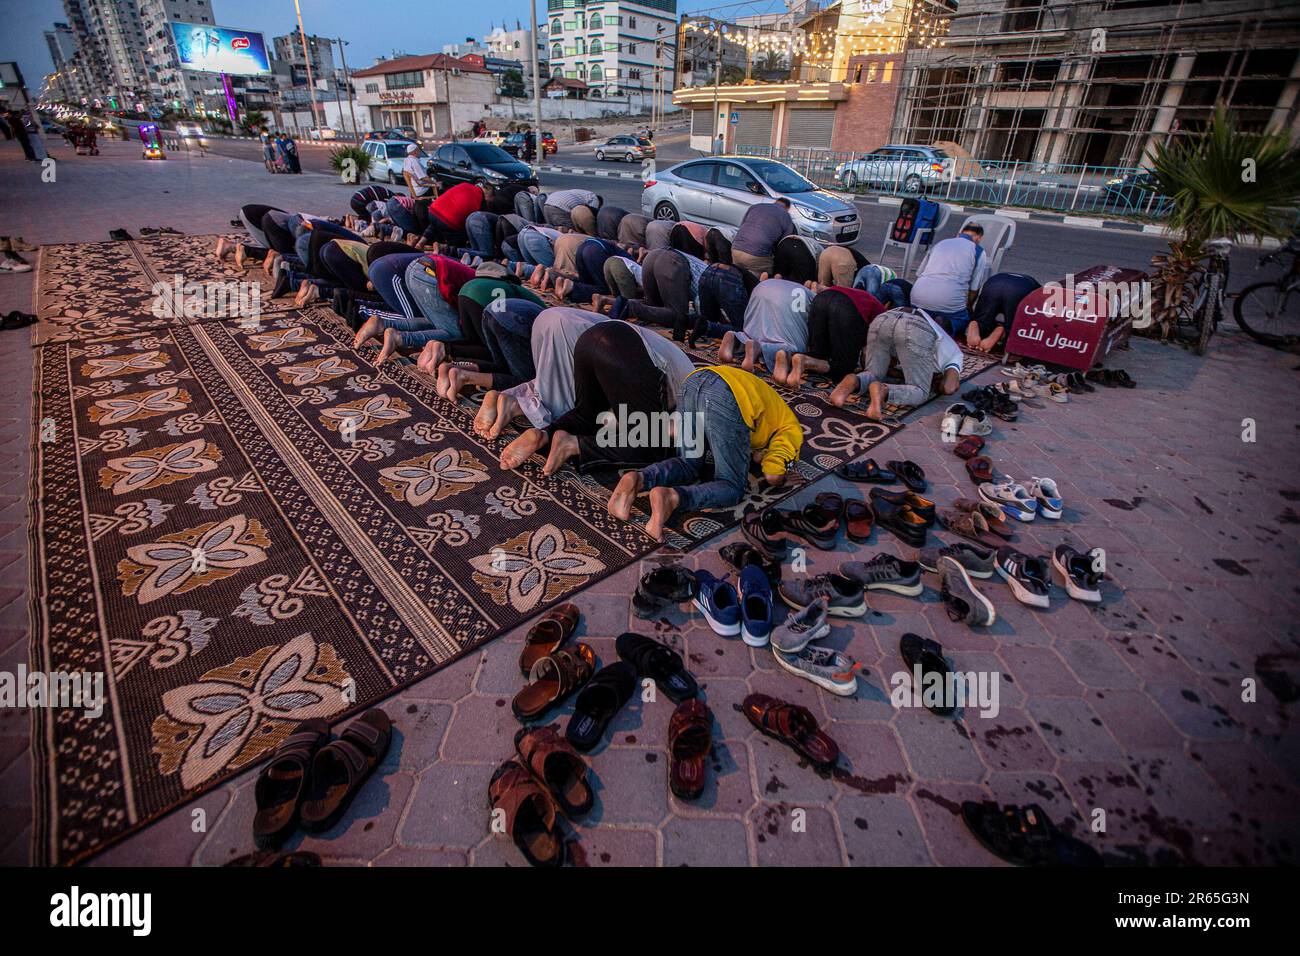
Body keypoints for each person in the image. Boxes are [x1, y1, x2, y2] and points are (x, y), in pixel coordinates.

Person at [607, 366, 801, 542]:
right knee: (732, 486)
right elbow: (773, 473)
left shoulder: (773, 411)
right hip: (726, 396)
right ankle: (673, 498)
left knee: (688, 462)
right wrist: (782, 478)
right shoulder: (791, 429)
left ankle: (639, 478)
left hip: (695, 380)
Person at [498, 319, 696, 475]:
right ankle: (572, 445)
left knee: (588, 413)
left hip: (591, 339)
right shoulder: (692, 390)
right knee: (652, 445)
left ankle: (545, 434)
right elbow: (669, 428)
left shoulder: (684, 365)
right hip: (627, 355)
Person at [829, 306, 962, 420]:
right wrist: (935, 382)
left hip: (884, 318)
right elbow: (949, 387)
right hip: (915, 327)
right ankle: (884, 390)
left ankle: (853, 381)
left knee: (873, 373)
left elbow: (886, 366)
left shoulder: (937, 338)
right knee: (920, 392)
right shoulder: (955, 353)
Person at [720, 277, 813, 382]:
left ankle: (736, 337)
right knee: (794, 349)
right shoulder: (809, 294)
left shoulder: (771, 282)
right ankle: (760, 348)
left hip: (763, 287)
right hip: (786, 300)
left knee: (752, 335)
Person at [909, 223, 990, 337]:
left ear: (959, 234)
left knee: (925, 311)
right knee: (963, 319)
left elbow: (919, 273)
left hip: (917, 298)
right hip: (948, 303)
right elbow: (974, 288)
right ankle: (947, 325)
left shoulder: (940, 244)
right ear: (978, 238)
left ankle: (922, 318)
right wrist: (968, 306)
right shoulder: (979, 251)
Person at [967, 272, 1040, 352]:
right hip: (1021, 288)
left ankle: (977, 324)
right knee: (1014, 326)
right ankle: (1004, 333)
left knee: (983, 317)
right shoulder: (1038, 289)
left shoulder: (998, 277)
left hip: (994, 282)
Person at [731, 198, 794, 276]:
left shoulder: (756, 206)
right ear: (787, 208)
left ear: (775, 202)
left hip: (736, 250)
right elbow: (784, 242)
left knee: (736, 276)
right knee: (766, 277)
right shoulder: (786, 216)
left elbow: (742, 226)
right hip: (757, 255)